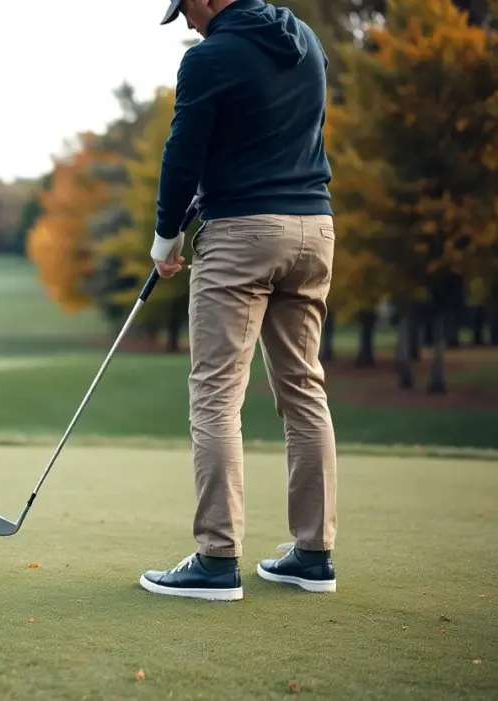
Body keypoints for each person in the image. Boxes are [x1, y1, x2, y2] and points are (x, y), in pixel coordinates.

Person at [139, 0, 338, 601]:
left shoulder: (209, 60)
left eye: (186, 12)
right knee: (303, 388)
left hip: (243, 236)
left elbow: (183, 153)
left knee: (217, 393)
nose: (189, 24)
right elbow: (281, 133)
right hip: (315, 229)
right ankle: (313, 554)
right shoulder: (304, 38)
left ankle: (216, 560)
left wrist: (165, 238)